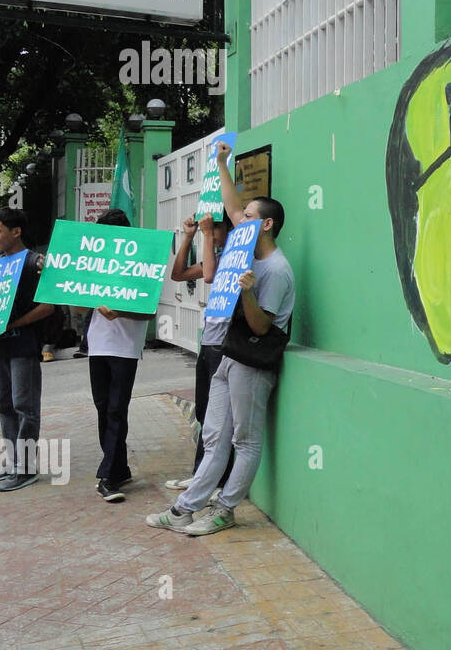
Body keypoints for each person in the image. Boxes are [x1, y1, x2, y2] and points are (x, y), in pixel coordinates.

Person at [148, 142, 294, 536]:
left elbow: (263, 326)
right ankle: (184, 509)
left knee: (244, 439)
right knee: (214, 437)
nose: (238, 218)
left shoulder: (277, 270)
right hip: (227, 355)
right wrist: (220, 163)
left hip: (251, 360)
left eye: (248, 216)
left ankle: (226, 509)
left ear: (265, 224)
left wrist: (246, 290)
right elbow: (231, 205)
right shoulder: (245, 247)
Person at [0, 209, 54, 491]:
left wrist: (12, 324)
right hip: (1, 348)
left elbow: (47, 307)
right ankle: (13, 462)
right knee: (6, 406)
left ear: (16, 232)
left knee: (24, 407)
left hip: (25, 344)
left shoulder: (35, 262)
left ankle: (25, 468)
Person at [75, 208, 155, 503]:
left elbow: (149, 311)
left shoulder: (142, 265)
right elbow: (79, 306)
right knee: (103, 408)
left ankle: (107, 475)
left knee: (116, 410)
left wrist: (119, 311)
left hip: (125, 348)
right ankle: (118, 467)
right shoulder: (95, 267)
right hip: (98, 345)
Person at [163, 211, 233, 492]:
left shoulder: (234, 256)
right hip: (209, 340)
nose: (211, 232)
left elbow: (209, 277)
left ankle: (214, 478)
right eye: (209, 228)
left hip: (223, 344)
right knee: (204, 412)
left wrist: (204, 235)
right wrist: (189, 237)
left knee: (219, 417)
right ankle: (201, 473)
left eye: (215, 228)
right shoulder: (215, 253)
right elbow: (178, 274)